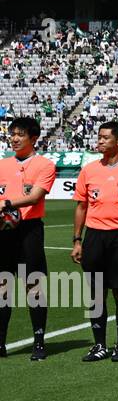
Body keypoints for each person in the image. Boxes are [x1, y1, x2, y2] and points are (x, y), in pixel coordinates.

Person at [71, 120, 118, 362]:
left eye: (105, 137)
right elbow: (81, 206)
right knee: (96, 293)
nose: (100, 141)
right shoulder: (89, 170)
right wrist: (77, 240)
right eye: (99, 137)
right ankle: (99, 345)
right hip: (94, 237)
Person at [0, 116, 57, 360]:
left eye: (20, 134)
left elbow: (34, 197)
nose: (14, 138)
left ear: (33, 138)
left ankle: (39, 342)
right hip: (3, 232)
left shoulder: (45, 165)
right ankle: (0, 343)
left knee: (33, 286)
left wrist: (6, 203)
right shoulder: (2, 164)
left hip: (29, 231)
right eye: (12, 133)